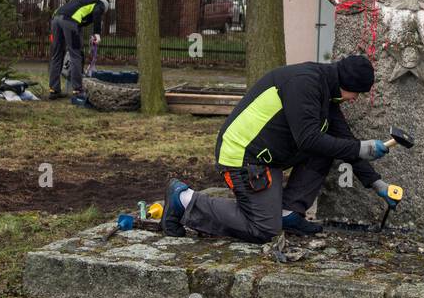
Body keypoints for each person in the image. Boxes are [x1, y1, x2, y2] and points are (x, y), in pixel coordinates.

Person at [161, 55, 401, 242]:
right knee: (263, 229)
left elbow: (345, 141)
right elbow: (308, 140)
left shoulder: (326, 92)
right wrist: (360, 148)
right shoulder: (304, 84)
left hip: (267, 158)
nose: (355, 99)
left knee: (332, 146)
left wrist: (378, 184)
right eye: (356, 93)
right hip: (242, 158)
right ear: (346, 84)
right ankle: (184, 200)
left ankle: (289, 213)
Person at [48, 0, 109, 100]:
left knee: (57, 55)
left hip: (56, 19)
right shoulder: (99, 3)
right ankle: (77, 90)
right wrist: (97, 34)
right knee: (76, 55)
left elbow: (80, 23)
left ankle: (54, 90)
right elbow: (96, 14)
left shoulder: (82, 2)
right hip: (69, 21)